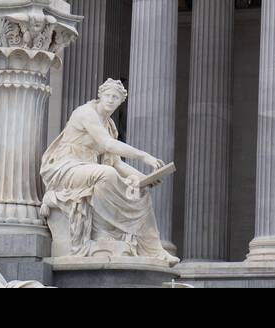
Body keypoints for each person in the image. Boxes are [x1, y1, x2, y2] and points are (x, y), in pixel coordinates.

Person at [40, 78, 177, 266]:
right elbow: (107, 144)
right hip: (66, 168)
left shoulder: (109, 125)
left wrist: (143, 178)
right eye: (107, 95)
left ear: (121, 101)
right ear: (100, 96)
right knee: (106, 174)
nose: (111, 100)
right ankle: (104, 232)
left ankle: (154, 249)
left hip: (87, 169)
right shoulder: (85, 113)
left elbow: (117, 164)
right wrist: (145, 157)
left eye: (115, 97)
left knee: (138, 191)